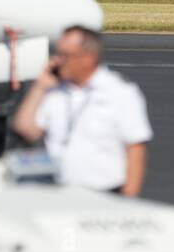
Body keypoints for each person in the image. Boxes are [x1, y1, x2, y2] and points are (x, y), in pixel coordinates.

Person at [12, 26, 152, 196]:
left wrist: (129, 199)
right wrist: (39, 88)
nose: (57, 61)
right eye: (57, 54)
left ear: (88, 58)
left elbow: (136, 148)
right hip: (59, 192)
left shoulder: (120, 92)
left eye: (65, 55)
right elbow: (27, 130)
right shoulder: (54, 92)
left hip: (104, 194)